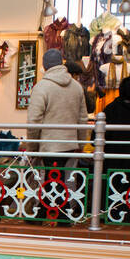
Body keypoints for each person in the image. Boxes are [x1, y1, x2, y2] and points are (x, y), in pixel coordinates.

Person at [25, 48, 90, 216]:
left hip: (48, 144)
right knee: (64, 180)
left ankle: (43, 213)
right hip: (70, 144)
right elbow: (83, 119)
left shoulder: (41, 87)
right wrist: (81, 144)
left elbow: (34, 122)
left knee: (47, 179)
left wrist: (32, 146)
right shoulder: (76, 87)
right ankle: (62, 212)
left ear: (45, 66)